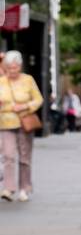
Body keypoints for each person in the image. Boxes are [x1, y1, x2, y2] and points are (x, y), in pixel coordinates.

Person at [0, 49, 44, 201]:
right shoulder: (1, 82)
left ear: (20, 66)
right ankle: (8, 188)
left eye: (16, 67)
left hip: (25, 123)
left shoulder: (28, 80)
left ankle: (25, 188)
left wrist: (25, 106)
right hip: (6, 123)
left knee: (24, 158)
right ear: (5, 67)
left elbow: (38, 100)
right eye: (10, 68)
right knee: (8, 156)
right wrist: (6, 107)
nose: (13, 70)